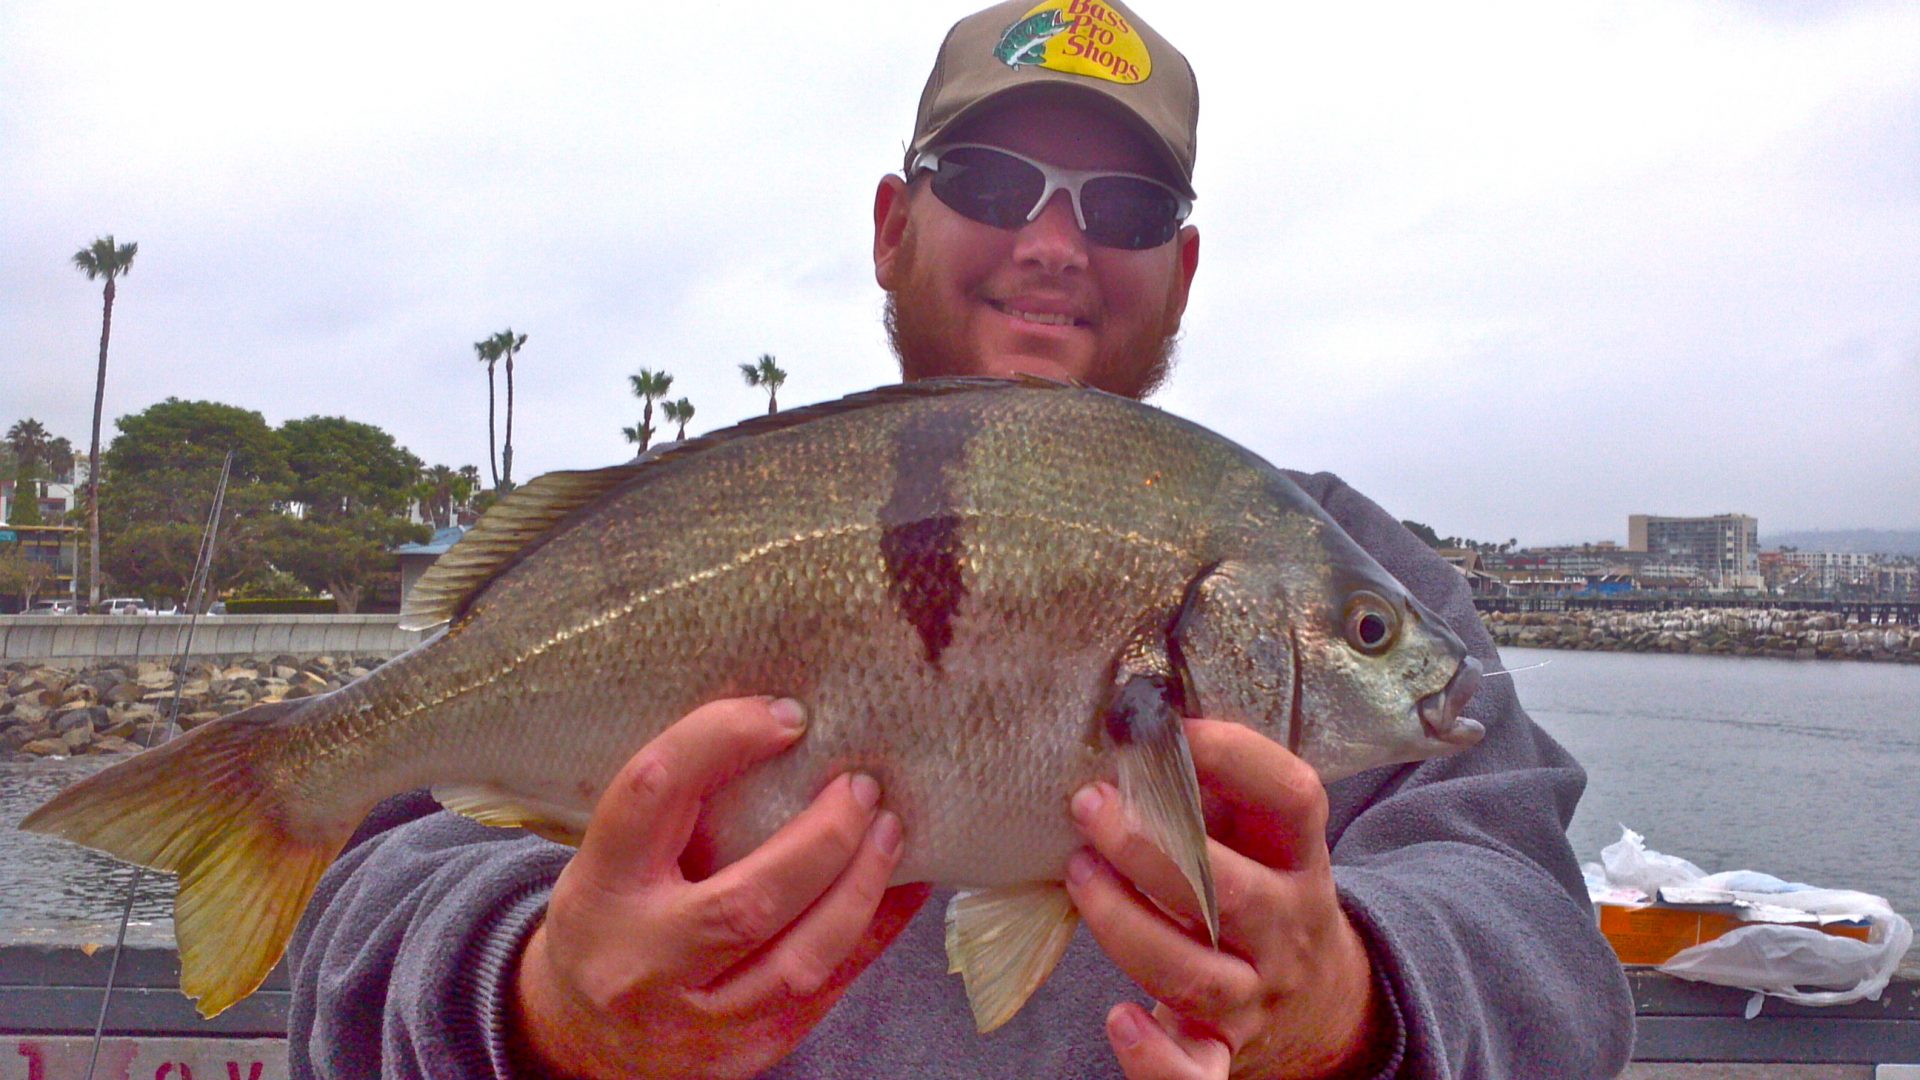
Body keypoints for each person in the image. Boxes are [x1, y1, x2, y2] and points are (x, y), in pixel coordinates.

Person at [287, 2, 1636, 1075]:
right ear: (892, 225)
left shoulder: (1331, 554)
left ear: (1184, 266)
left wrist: (1357, 1004)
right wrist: (537, 1004)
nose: (1054, 242)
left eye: (1125, 210)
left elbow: (1543, 949)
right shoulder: (692, 523)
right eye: (994, 180)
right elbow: (360, 938)